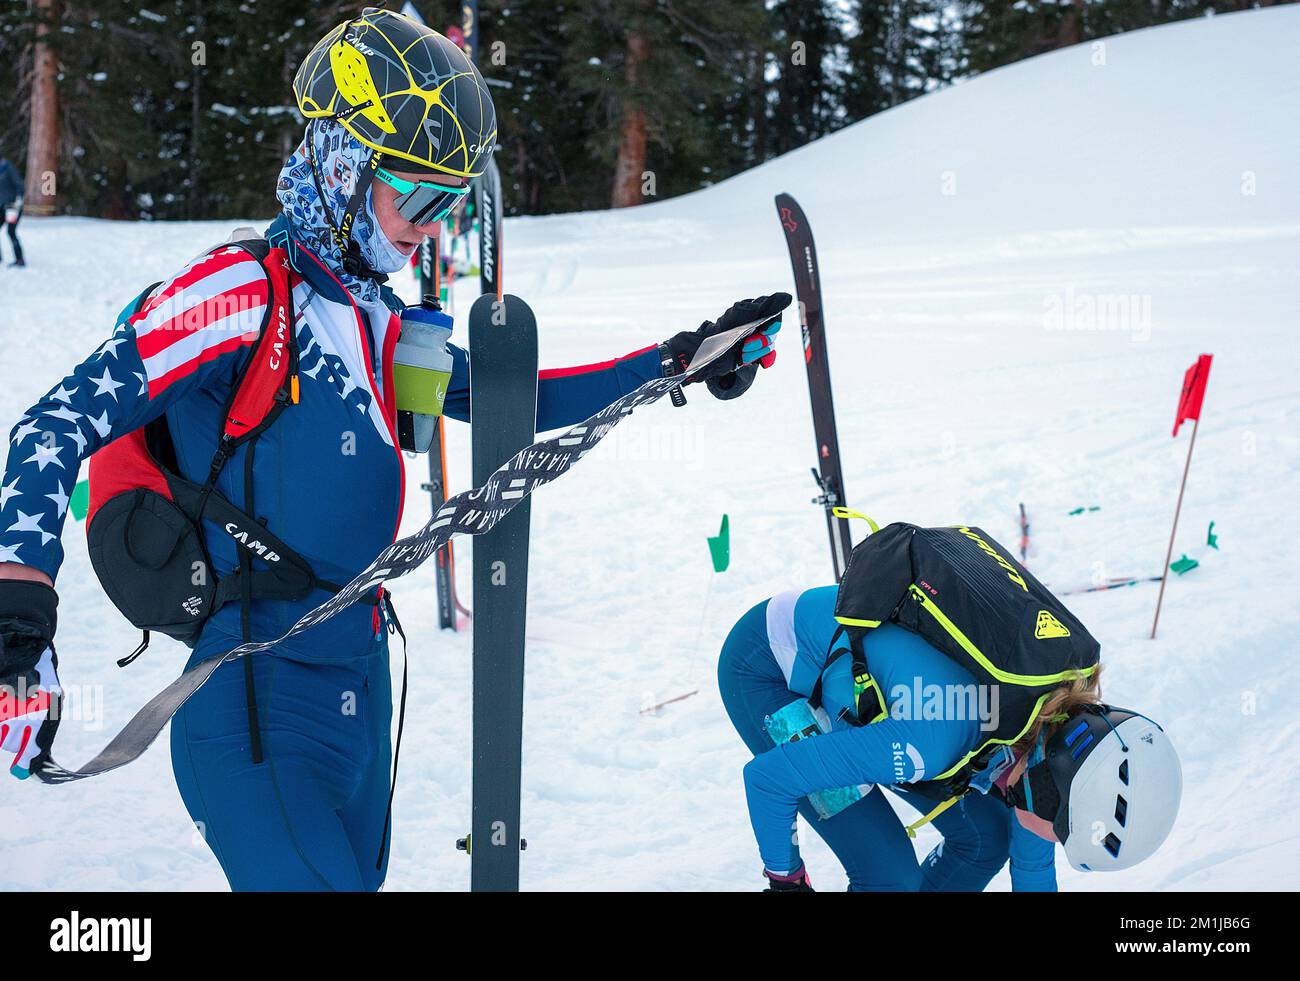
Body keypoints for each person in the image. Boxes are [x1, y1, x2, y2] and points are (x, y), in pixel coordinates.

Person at [0, 7, 785, 891]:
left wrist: (678, 361)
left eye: (450, 204)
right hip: (255, 701)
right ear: (342, 167)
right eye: (416, 196)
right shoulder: (235, 294)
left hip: (359, 695)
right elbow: (54, 424)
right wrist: (19, 616)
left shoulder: (374, 315)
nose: (431, 226)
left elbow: (511, 403)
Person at [720, 532, 1182, 892]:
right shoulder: (933, 742)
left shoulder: (1048, 726)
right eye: (1063, 835)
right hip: (765, 668)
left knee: (986, 838)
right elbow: (769, 778)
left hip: (894, 695)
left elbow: (1031, 861)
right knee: (889, 875)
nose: (1054, 843)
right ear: (1047, 791)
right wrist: (786, 878)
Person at [0, 156, 24, 267]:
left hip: (12, 206)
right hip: (1, 206)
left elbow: (19, 183)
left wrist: (19, 198)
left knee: (11, 231)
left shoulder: (8, 167)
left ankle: (20, 260)